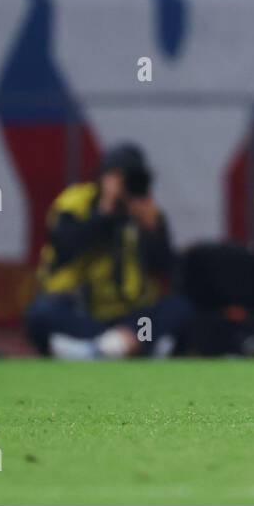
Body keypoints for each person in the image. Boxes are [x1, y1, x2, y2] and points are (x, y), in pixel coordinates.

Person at [25, 143, 193, 359]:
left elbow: (166, 268)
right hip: (83, 313)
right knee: (41, 313)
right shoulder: (76, 202)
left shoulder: (146, 210)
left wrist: (151, 229)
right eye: (118, 177)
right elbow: (64, 247)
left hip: (133, 316)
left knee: (180, 310)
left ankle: (98, 348)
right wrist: (104, 213)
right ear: (103, 176)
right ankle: (126, 347)